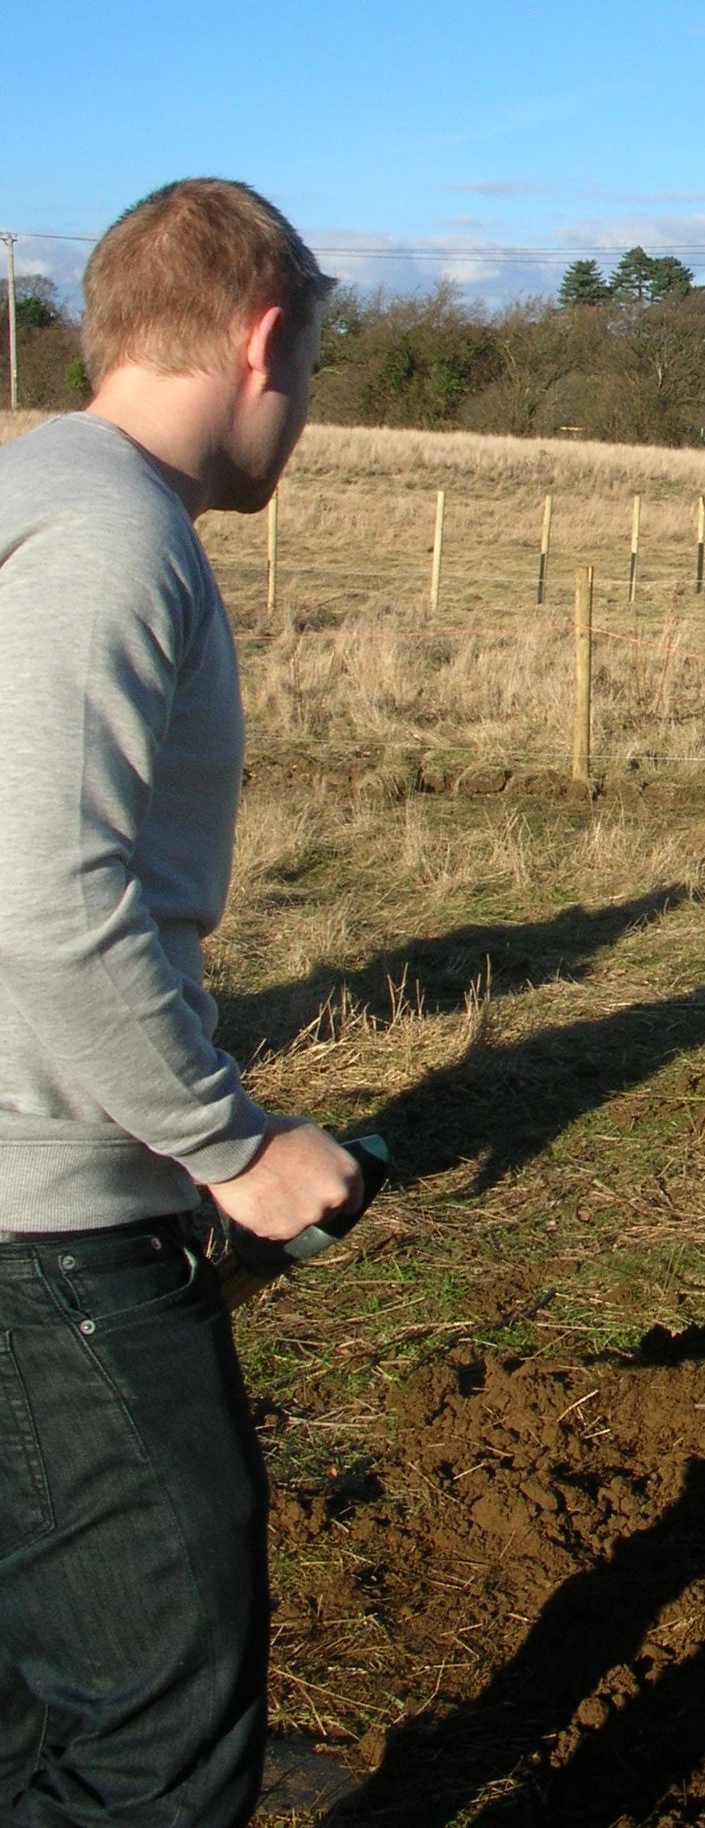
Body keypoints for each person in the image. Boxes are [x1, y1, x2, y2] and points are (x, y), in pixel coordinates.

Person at [0, 179, 365, 1825]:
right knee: (158, 1723)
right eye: (309, 374)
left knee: (43, 1674)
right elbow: (49, 904)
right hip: (52, 1231)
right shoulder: (104, 535)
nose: (302, 419)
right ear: (261, 337)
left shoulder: (42, 497)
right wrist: (230, 1141)